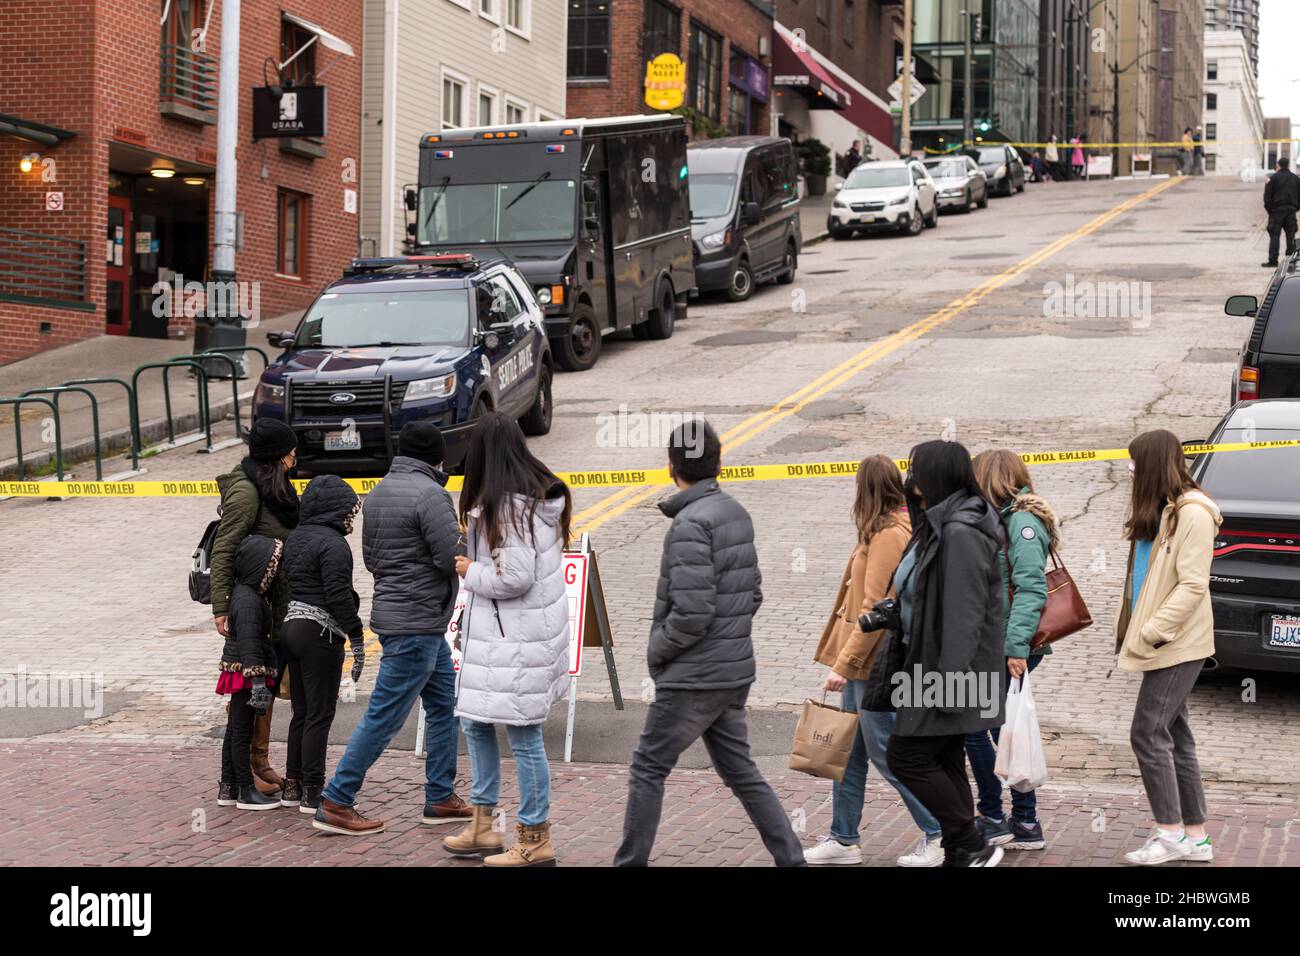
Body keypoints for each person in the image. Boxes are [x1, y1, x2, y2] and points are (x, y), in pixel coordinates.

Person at [614, 419, 804, 867]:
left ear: (671, 467)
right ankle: (791, 858)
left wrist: (657, 651)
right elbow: (753, 592)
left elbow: (692, 614)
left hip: (693, 676)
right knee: (741, 770)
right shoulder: (733, 511)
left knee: (647, 767)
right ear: (718, 462)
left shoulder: (689, 524)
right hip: (731, 670)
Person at [313, 421, 469, 836]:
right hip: (417, 621)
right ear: (436, 456)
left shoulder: (379, 491)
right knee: (384, 715)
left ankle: (440, 795)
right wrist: (472, 542)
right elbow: (448, 556)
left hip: (408, 618)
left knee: (445, 706)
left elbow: (371, 557)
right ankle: (336, 799)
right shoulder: (432, 493)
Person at [442, 413, 572, 867]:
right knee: (476, 723)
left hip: (513, 645)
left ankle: (535, 838)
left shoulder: (512, 510)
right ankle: (483, 825)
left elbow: (514, 577)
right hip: (504, 642)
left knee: (523, 735)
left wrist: (468, 570)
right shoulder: (523, 502)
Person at [804, 455, 944, 867]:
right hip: (865, 663)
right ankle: (844, 838)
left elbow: (875, 609)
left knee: (888, 753)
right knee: (848, 754)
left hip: (873, 665)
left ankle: (940, 831)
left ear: (864, 489)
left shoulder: (886, 535)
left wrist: (843, 666)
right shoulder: (886, 528)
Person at [872, 439, 1006, 867]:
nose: (909, 478)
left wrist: (950, 680)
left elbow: (966, 612)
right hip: (929, 661)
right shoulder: (938, 523)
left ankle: (971, 842)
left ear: (935, 477)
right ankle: (961, 849)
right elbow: (929, 593)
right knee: (943, 757)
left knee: (906, 757)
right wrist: (898, 613)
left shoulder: (962, 531)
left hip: (949, 670)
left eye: (915, 470)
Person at [1117, 430, 1220, 866]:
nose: (1129, 470)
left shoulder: (1192, 513)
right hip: (1164, 640)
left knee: (1147, 732)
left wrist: (1154, 630)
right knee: (1175, 734)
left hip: (1176, 642)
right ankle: (1194, 836)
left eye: (1135, 463)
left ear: (1154, 464)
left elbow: (1194, 584)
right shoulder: (1165, 510)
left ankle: (1171, 832)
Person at [964, 450, 1057, 852]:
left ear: (991, 479)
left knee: (977, 728)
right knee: (999, 730)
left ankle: (1001, 816)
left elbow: (1032, 588)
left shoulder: (1021, 523)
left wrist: (1016, 647)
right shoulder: (1002, 518)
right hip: (999, 644)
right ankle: (1019, 819)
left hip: (1010, 647)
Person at [210, 418, 299, 797]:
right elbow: (224, 548)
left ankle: (260, 761)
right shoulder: (246, 492)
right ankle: (241, 769)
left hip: (277, 604)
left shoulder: (274, 485)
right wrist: (222, 607)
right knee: (249, 690)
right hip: (253, 609)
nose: (296, 457)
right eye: (291, 452)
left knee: (268, 685)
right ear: (278, 457)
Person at [280, 475, 364, 815]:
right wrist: (357, 636)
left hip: (292, 629)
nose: (351, 519)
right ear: (333, 510)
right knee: (320, 714)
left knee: (301, 712)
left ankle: (293, 783)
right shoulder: (333, 545)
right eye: (348, 512)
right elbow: (338, 597)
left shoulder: (296, 537)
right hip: (320, 634)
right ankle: (313, 791)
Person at [216, 535, 284, 811]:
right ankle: (244, 788)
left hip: (241, 671)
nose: (274, 572)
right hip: (246, 673)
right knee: (242, 732)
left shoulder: (247, 595)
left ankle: (228, 785)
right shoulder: (248, 601)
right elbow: (249, 643)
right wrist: (257, 681)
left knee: (235, 730)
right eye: (271, 567)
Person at [1261, 156, 1299, 268]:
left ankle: (1273, 260)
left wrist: (1270, 210)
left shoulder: (1272, 178)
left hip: (1276, 211)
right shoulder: (1296, 179)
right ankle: (1291, 261)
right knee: (1290, 236)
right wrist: (1296, 208)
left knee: (1274, 236)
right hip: (1291, 210)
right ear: (1287, 165)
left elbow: (1267, 197)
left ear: (1278, 165)